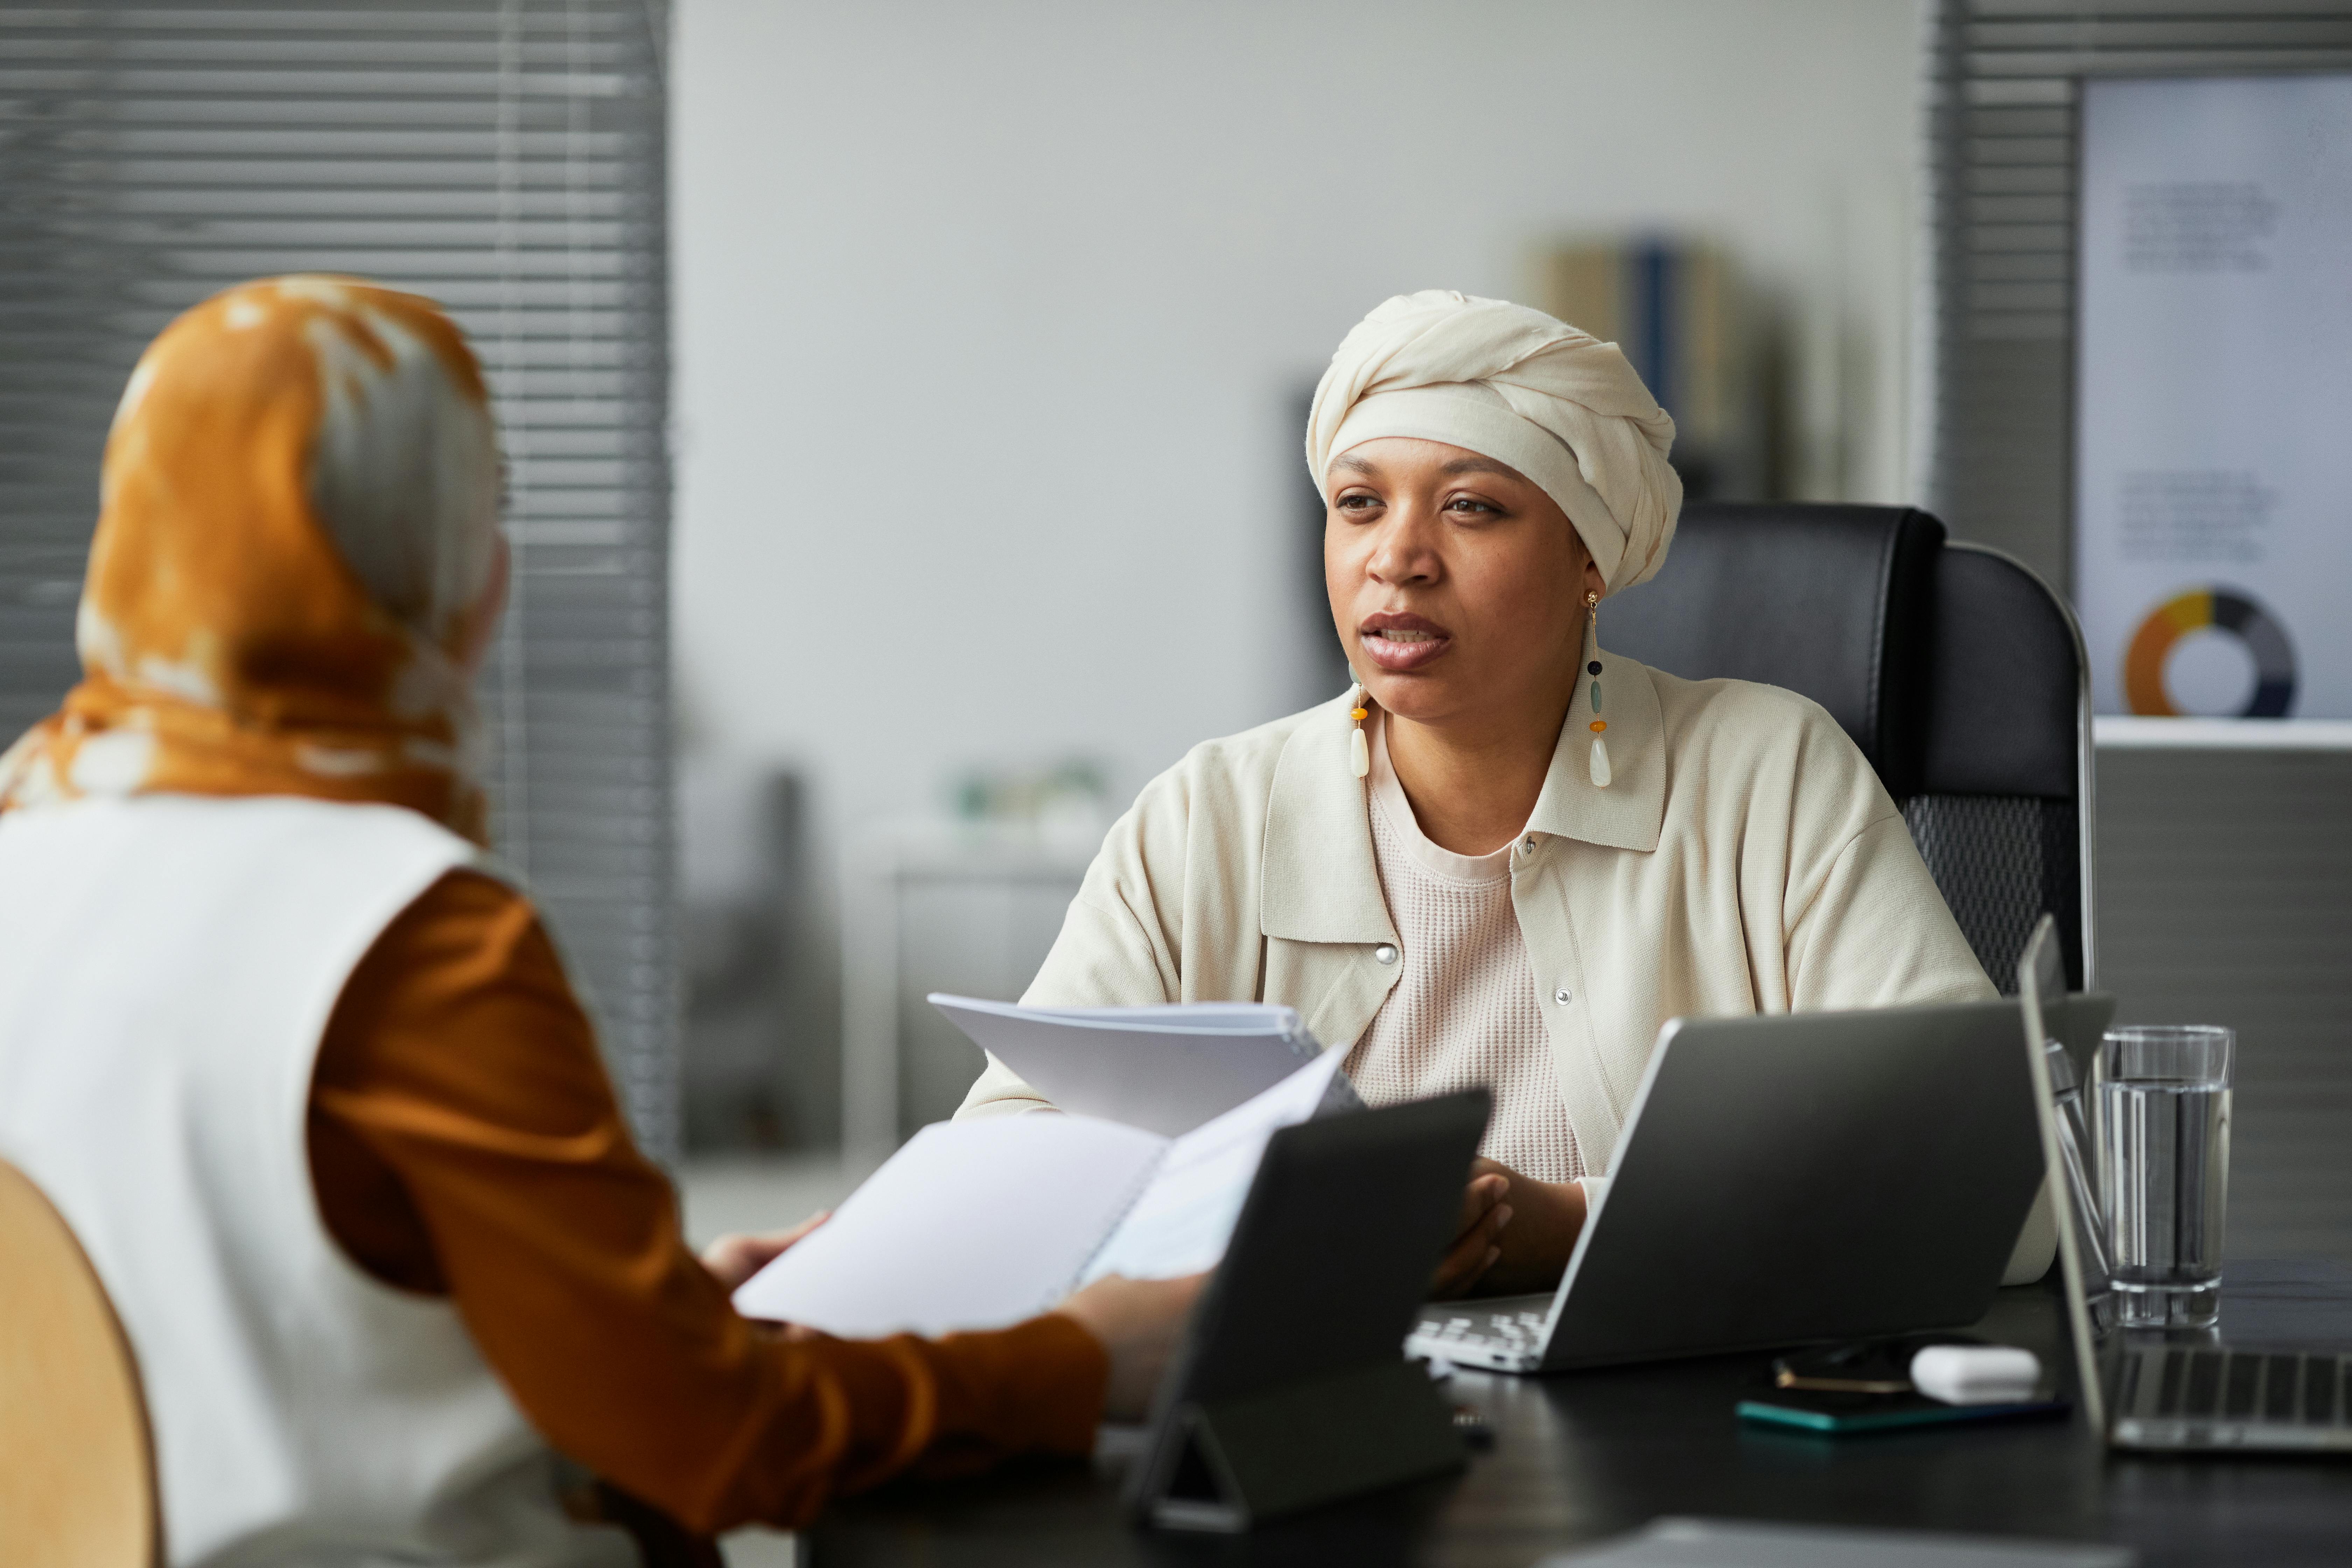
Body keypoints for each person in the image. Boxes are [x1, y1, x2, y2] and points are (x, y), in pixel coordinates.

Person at [0, 276, 1199, 1567]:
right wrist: (1083, 1357)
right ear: (426, 558)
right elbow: (720, 1441)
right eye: (485, 511)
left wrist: (649, 1309)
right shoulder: (408, 936)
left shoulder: (28, 844)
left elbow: (236, 1315)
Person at [961, 289, 2047, 1297]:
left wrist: (1572, 1227)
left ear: (1590, 559)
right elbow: (1000, 1166)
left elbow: (2005, 1187)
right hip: (1303, 1398)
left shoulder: (1770, 777)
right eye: (1358, 504)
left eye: (1472, 508)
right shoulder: (1208, 817)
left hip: (1673, 1414)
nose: (1398, 558)